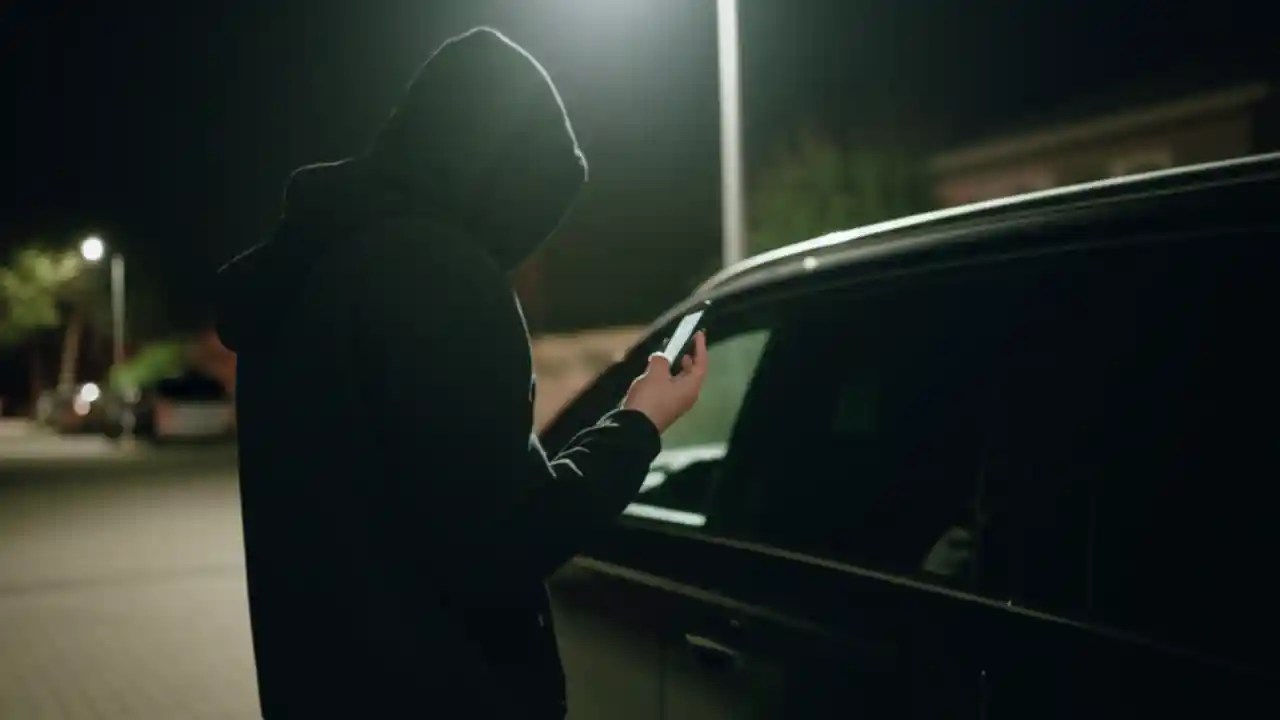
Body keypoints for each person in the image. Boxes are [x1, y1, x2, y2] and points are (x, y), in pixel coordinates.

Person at [216, 26, 708, 719]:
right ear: (497, 169)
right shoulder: (436, 274)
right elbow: (504, 542)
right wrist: (640, 423)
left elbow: (416, 507)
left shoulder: (304, 278)